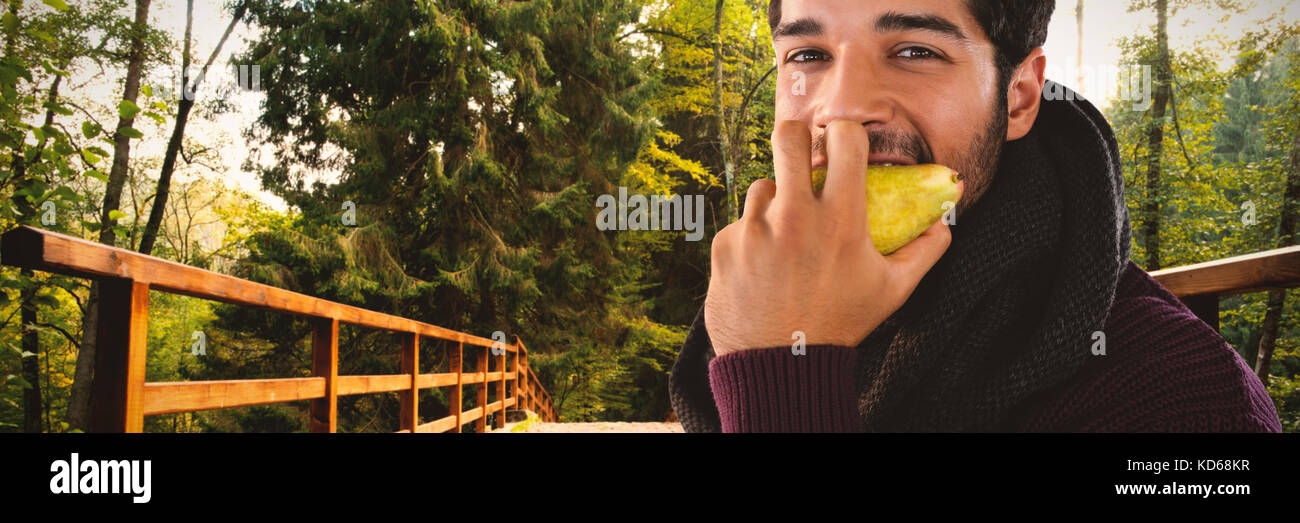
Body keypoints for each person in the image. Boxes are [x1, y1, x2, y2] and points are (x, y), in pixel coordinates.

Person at [668, 0, 1283, 432]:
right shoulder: (753, 303)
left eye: (914, 49)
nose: (844, 108)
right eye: (807, 54)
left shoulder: (1185, 407)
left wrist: (781, 380)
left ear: (1017, 97)